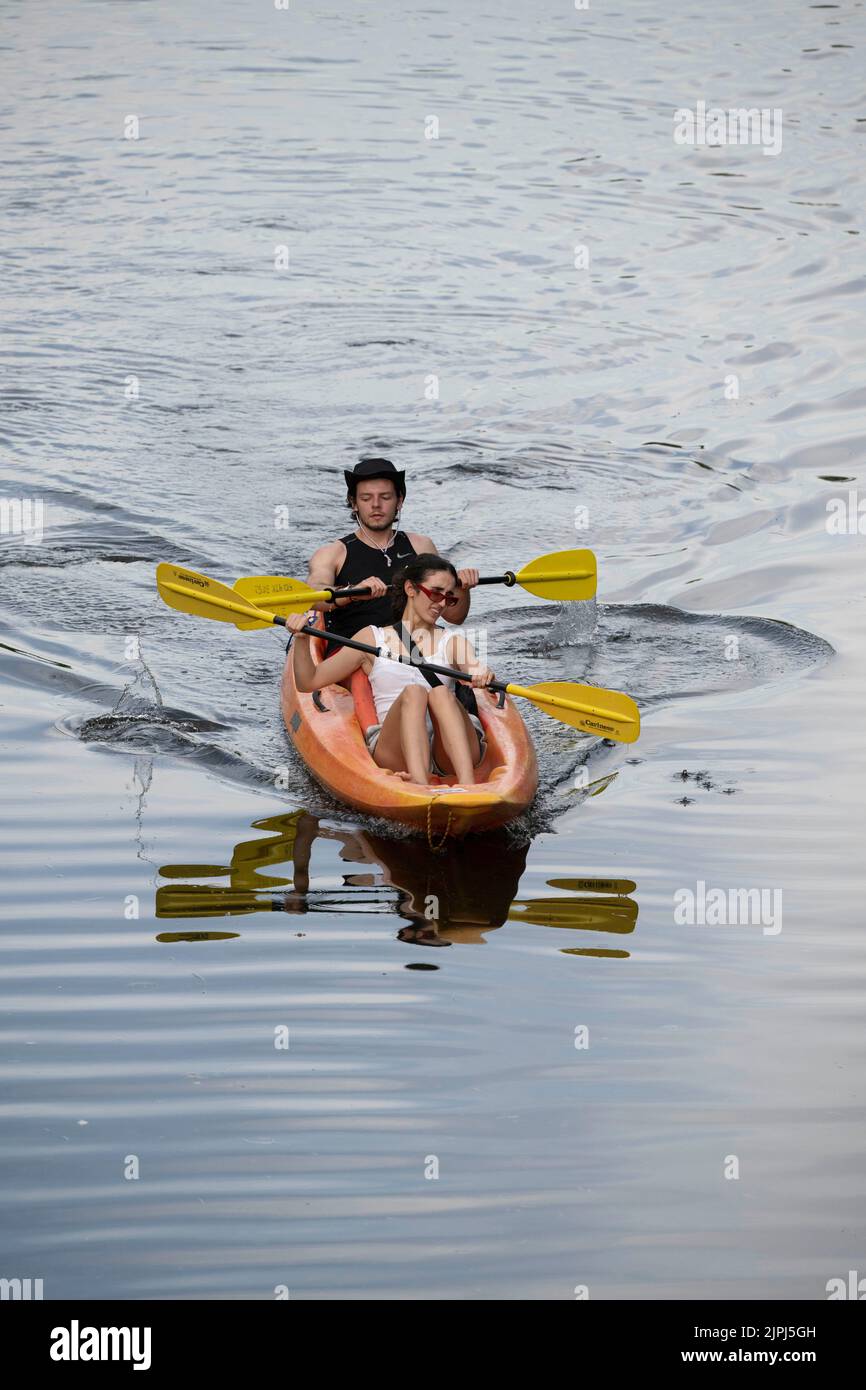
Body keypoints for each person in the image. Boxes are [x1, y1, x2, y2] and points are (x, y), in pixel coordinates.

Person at [286, 554, 495, 786]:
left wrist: (483, 673)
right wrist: (302, 638)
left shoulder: (452, 641)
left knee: (441, 693)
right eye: (435, 593)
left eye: (449, 598)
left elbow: (475, 666)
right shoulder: (371, 638)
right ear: (410, 589)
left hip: (446, 749)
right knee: (413, 693)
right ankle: (419, 782)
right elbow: (309, 681)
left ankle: (468, 787)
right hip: (395, 750)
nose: (441, 604)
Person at [305, 458, 478, 653]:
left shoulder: (421, 546)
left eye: (385, 497)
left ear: (399, 501)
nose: (376, 505)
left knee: (466, 660)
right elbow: (311, 596)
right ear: (354, 503)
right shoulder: (332, 553)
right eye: (366, 498)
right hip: (355, 653)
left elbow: (454, 617)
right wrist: (352, 593)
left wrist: (463, 589)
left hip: (415, 648)